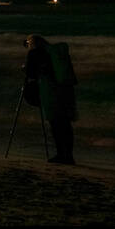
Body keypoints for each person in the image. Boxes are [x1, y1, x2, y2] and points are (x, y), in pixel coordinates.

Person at [24, 34, 78, 164]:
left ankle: (61, 154)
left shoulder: (36, 53)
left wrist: (25, 67)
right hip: (65, 90)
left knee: (55, 124)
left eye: (28, 43)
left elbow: (31, 73)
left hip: (50, 91)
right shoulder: (55, 52)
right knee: (65, 123)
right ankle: (68, 155)